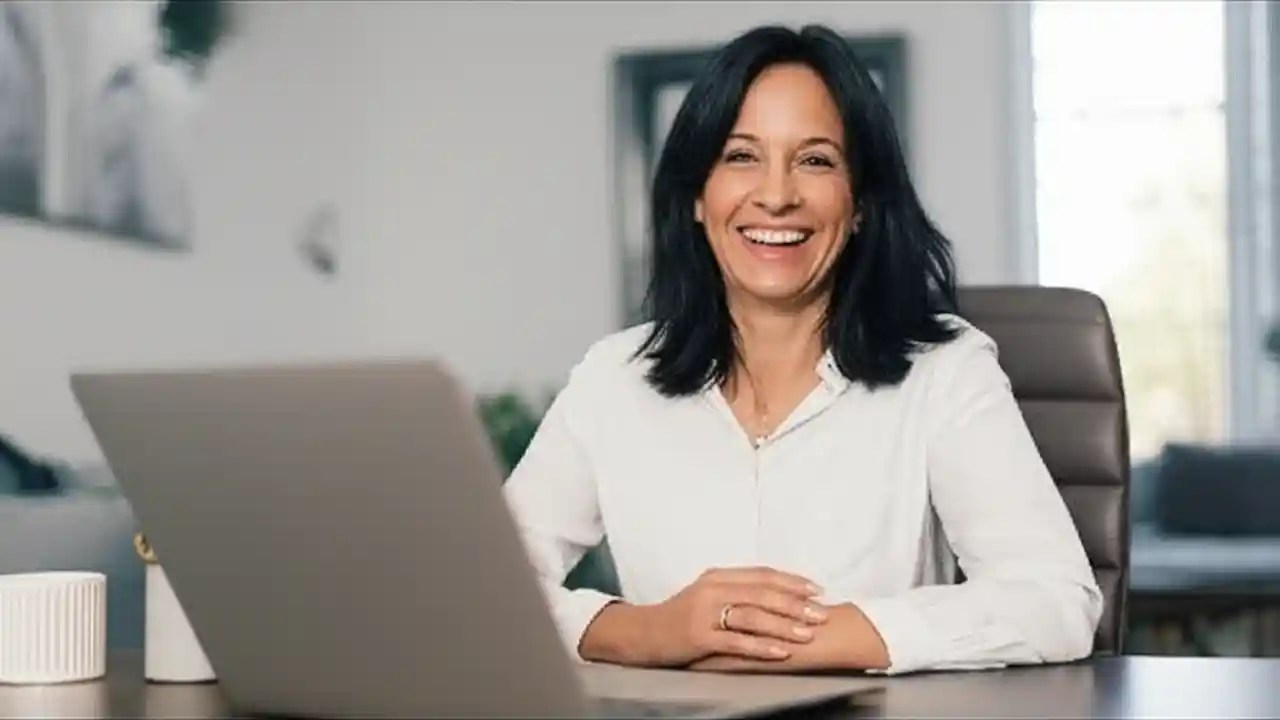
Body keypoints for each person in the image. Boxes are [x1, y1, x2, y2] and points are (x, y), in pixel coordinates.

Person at [503, 24, 1101, 675]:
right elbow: (485, 592)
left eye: (815, 160)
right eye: (740, 156)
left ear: (863, 201)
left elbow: (1054, 600)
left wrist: (815, 639)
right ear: (697, 197)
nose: (777, 194)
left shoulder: (945, 370)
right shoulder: (614, 379)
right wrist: (645, 630)